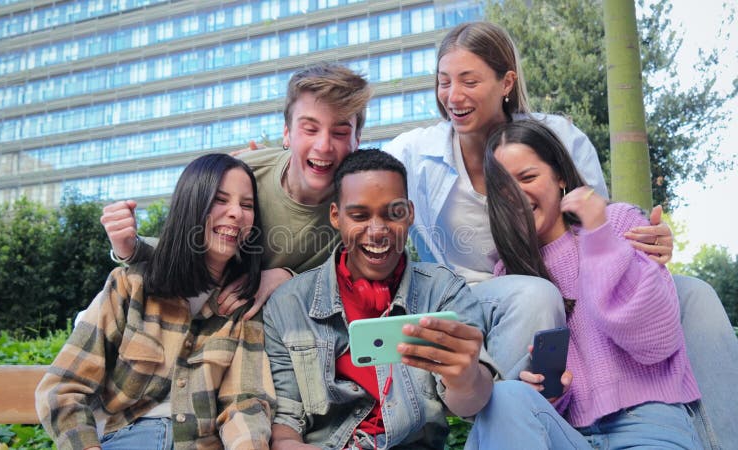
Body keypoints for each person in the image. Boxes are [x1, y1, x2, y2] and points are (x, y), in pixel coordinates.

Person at [383, 21, 735, 447]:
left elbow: (602, 254)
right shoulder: (417, 151)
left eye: (469, 80)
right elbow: (354, 176)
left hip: (642, 417)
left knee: (692, 293)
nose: (453, 95)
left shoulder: (562, 142)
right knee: (522, 355)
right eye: (444, 82)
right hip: (482, 299)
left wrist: (614, 236)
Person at [481, 119, 702, 448]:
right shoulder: (509, 274)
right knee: (507, 396)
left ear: (559, 177)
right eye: (503, 189)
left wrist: (598, 234)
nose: (516, 195)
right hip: (569, 435)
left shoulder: (619, 223)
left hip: (648, 423)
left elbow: (656, 341)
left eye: (528, 177)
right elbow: (540, 399)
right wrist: (552, 394)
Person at [36, 154, 275, 450]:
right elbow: (63, 388)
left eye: (247, 205)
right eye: (220, 199)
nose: (236, 213)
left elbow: (245, 404)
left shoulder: (243, 308)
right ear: (191, 205)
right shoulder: (130, 285)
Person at [100, 63, 371, 320]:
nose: (323, 146)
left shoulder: (363, 208)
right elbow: (183, 247)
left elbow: (364, 286)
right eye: (310, 128)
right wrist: (130, 248)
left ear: (357, 140)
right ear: (287, 134)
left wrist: (290, 279)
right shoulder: (244, 174)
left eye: (339, 132)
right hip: (202, 314)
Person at [263, 149, 495, 449]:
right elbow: (286, 423)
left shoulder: (443, 291)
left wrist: (466, 378)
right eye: (359, 216)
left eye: (393, 214)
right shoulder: (288, 304)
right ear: (336, 216)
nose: (377, 231)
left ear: (410, 213)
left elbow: (470, 405)